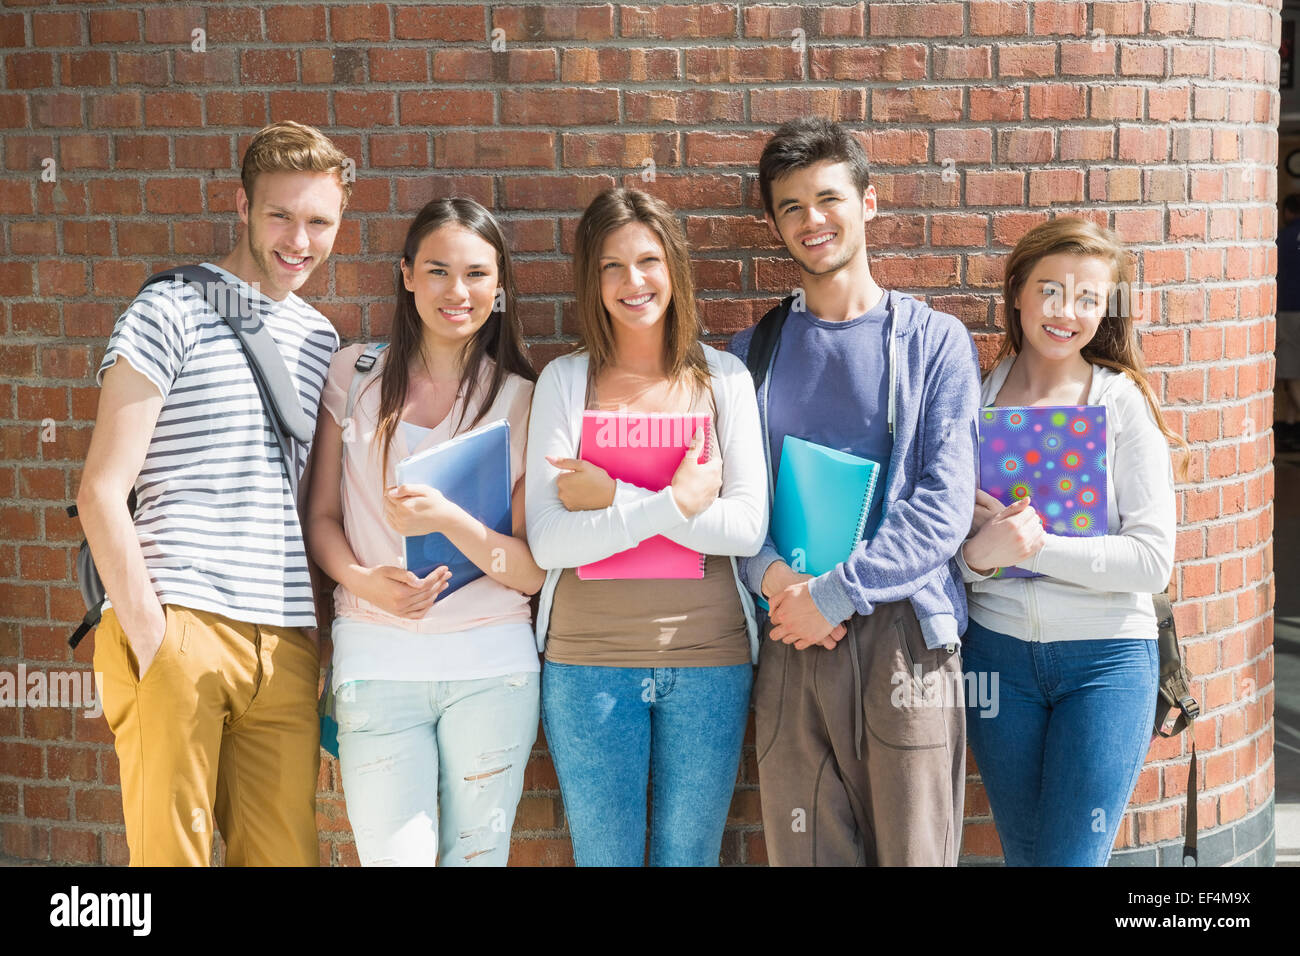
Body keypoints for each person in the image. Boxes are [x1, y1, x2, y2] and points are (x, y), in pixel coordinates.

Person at [77, 121, 350, 865]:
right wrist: (153, 638)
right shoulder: (168, 311)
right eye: (281, 216)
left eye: (318, 221)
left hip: (285, 644)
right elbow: (101, 490)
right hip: (182, 621)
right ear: (242, 207)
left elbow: (307, 505)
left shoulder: (322, 340)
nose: (300, 239)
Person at [728, 118, 981, 866]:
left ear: (868, 203)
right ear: (774, 223)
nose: (813, 220)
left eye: (829, 198)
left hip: (901, 639)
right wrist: (772, 579)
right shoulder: (750, 355)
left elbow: (944, 504)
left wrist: (834, 595)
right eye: (791, 207)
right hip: (788, 637)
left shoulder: (934, 342)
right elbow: (733, 501)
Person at [525, 187, 767, 866]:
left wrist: (610, 496)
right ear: (591, 280)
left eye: (648, 261)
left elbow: (745, 528)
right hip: (586, 665)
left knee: (688, 857)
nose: (633, 282)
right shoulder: (565, 383)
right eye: (612, 266)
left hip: (709, 664)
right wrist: (673, 503)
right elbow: (549, 540)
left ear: (674, 269)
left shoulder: (725, 381)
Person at [305, 198, 544, 866]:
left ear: (498, 290)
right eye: (438, 271)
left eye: (475, 275)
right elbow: (321, 519)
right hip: (377, 664)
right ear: (407, 274)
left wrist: (448, 520)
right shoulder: (352, 377)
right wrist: (361, 582)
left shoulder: (524, 399)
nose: (456, 291)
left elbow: (529, 571)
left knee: (477, 859)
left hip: (492, 667)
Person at [956, 216, 1185, 866]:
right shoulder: (977, 400)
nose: (1067, 312)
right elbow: (948, 544)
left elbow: (1150, 559)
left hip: (1105, 665)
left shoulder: (1122, 403)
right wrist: (979, 557)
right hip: (997, 662)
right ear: (1018, 294)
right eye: (1051, 290)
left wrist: (1031, 546)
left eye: (1089, 298)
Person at [1275, 194, 1300, 449]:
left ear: (1289, 212)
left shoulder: (1282, 239)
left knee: (1290, 373)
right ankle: (1291, 426)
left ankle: (1291, 426)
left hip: (1290, 312)